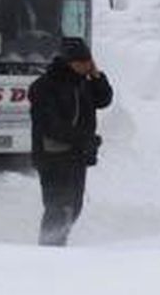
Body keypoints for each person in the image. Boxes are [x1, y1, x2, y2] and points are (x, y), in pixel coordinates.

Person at [28, 37, 113, 246]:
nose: (87, 65)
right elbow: (50, 126)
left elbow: (104, 99)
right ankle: (49, 249)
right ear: (69, 62)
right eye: (83, 62)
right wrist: (84, 139)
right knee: (58, 206)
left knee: (74, 207)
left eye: (89, 61)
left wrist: (97, 75)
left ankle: (58, 243)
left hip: (76, 155)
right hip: (52, 157)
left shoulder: (83, 81)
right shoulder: (44, 86)